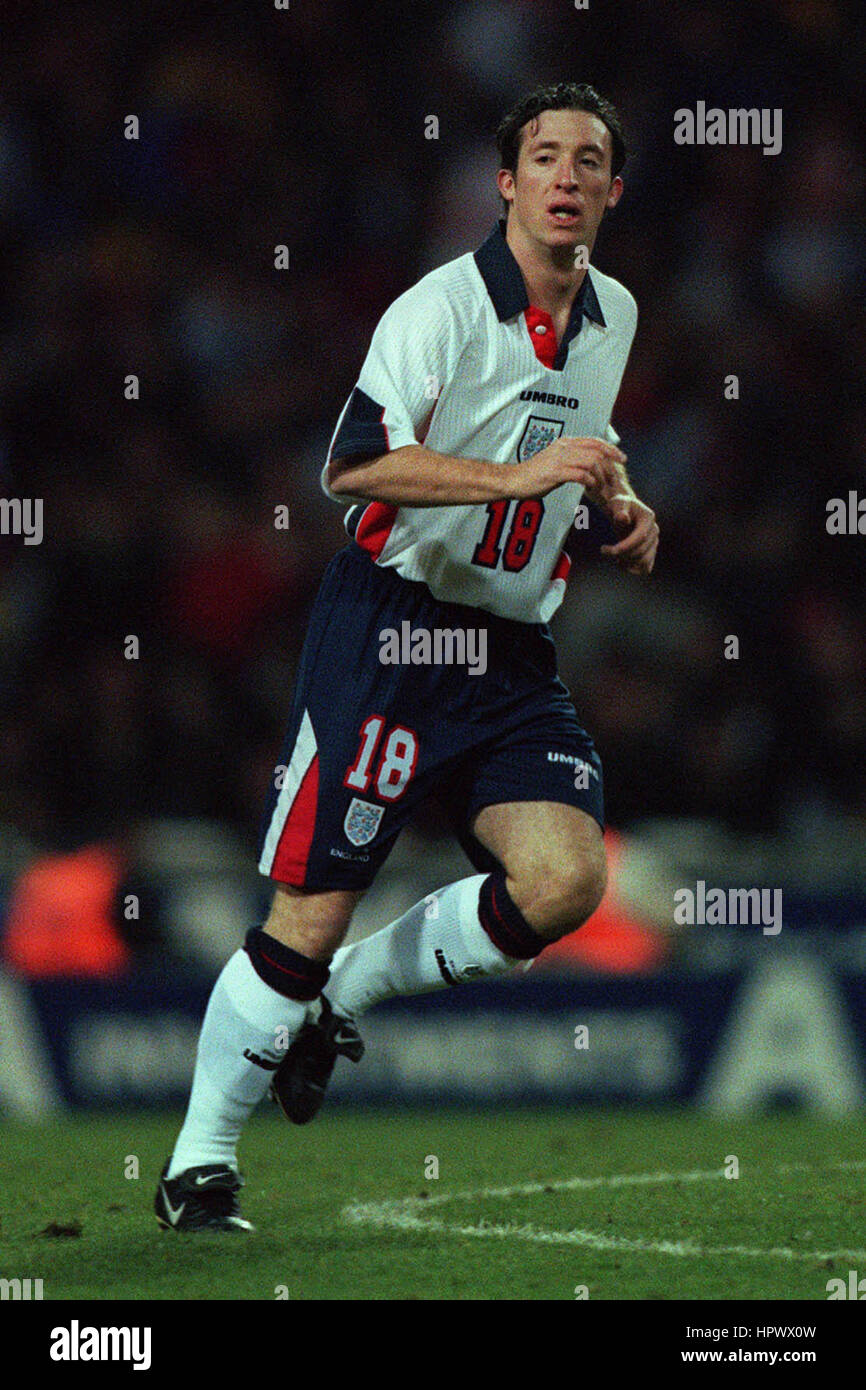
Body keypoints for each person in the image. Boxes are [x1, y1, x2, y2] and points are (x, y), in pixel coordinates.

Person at [155, 81, 659, 1233]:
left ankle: (343, 1002)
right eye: (544, 157)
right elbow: (352, 468)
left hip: (511, 648)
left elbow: (579, 443)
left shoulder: (614, 314)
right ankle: (198, 1161)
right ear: (505, 181)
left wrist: (618, 499)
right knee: (308, 910)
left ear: (613, 189)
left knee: (565, 877)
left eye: (589, 160)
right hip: (389, 627)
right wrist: (513, 482)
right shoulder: (435, 309)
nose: (567, 177)